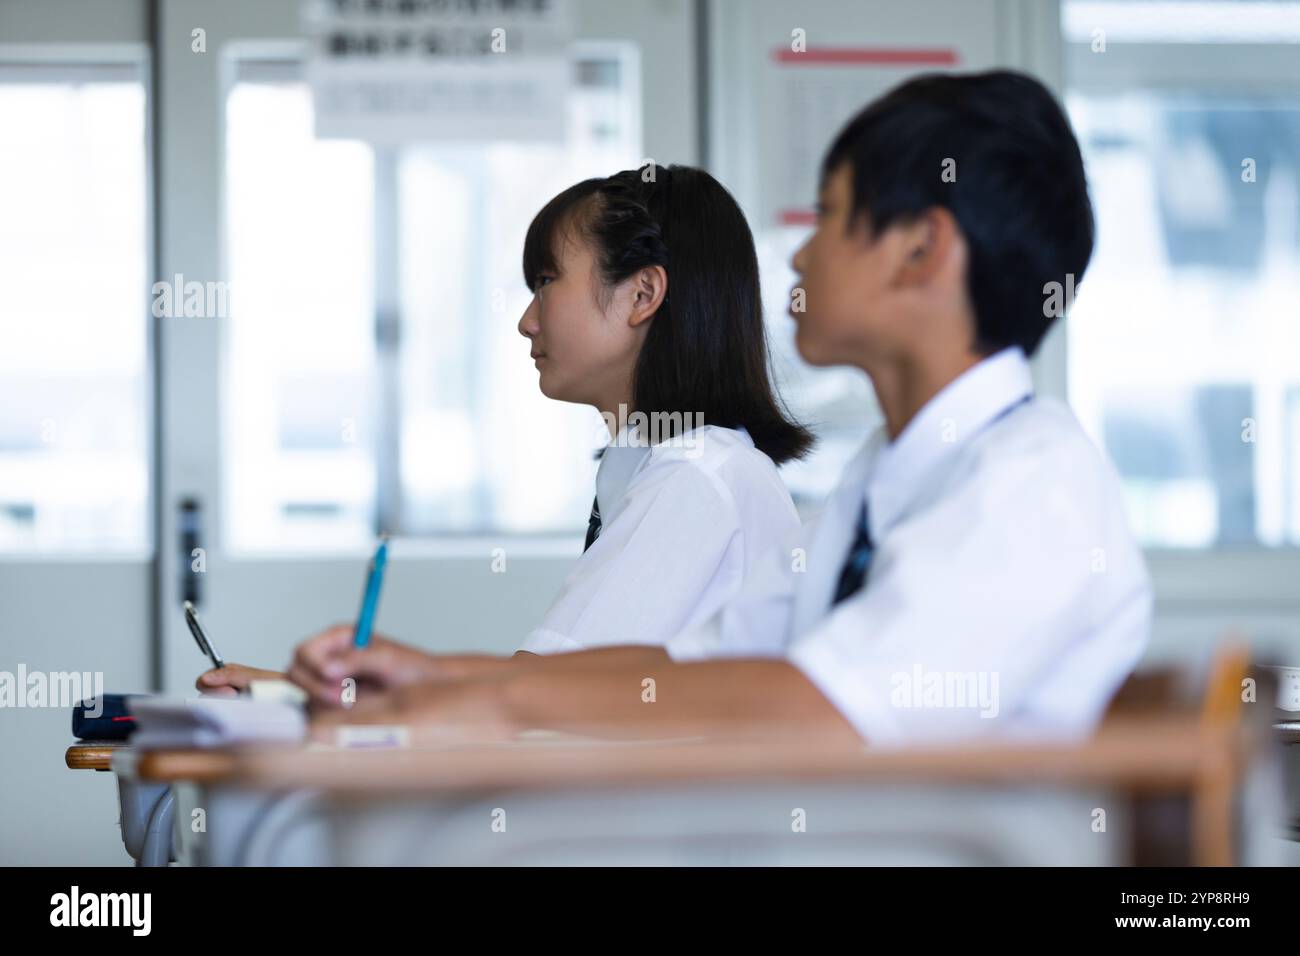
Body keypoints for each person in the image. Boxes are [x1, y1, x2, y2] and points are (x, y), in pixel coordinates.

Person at [308, 70, 1151, 748]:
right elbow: (679, 672)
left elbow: (823, 707)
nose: (799, 253)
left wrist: (482, 702)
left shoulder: (1033, 484)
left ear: (921, 250)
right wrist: (431, 681)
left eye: (828, 215)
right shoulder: (880, 483)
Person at [198, 164, 813, 703]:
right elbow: (534, 699)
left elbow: (531, 700)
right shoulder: (677, 465)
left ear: (643, 293)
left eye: (547, 281)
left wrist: (307, 701)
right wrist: (294, 697)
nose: (526, 321)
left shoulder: (696, 476)